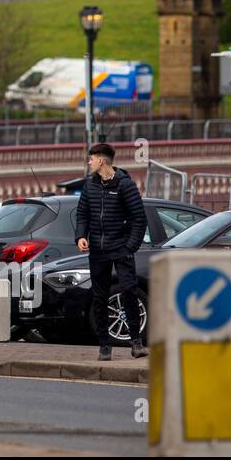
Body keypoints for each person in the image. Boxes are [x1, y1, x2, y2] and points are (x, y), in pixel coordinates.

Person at [76, 142, 148, 361]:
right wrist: (81, 236)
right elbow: (82, 214)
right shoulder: (90, 185)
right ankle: (104, 346)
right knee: (99, 296)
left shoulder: (125, 185)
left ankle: (136, 342)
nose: (89, 162)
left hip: (120, 249)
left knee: (129, 291)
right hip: (97, 250)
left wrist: (129, 247)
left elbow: (139, 218)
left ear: (101, 160)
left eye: (91, 159)